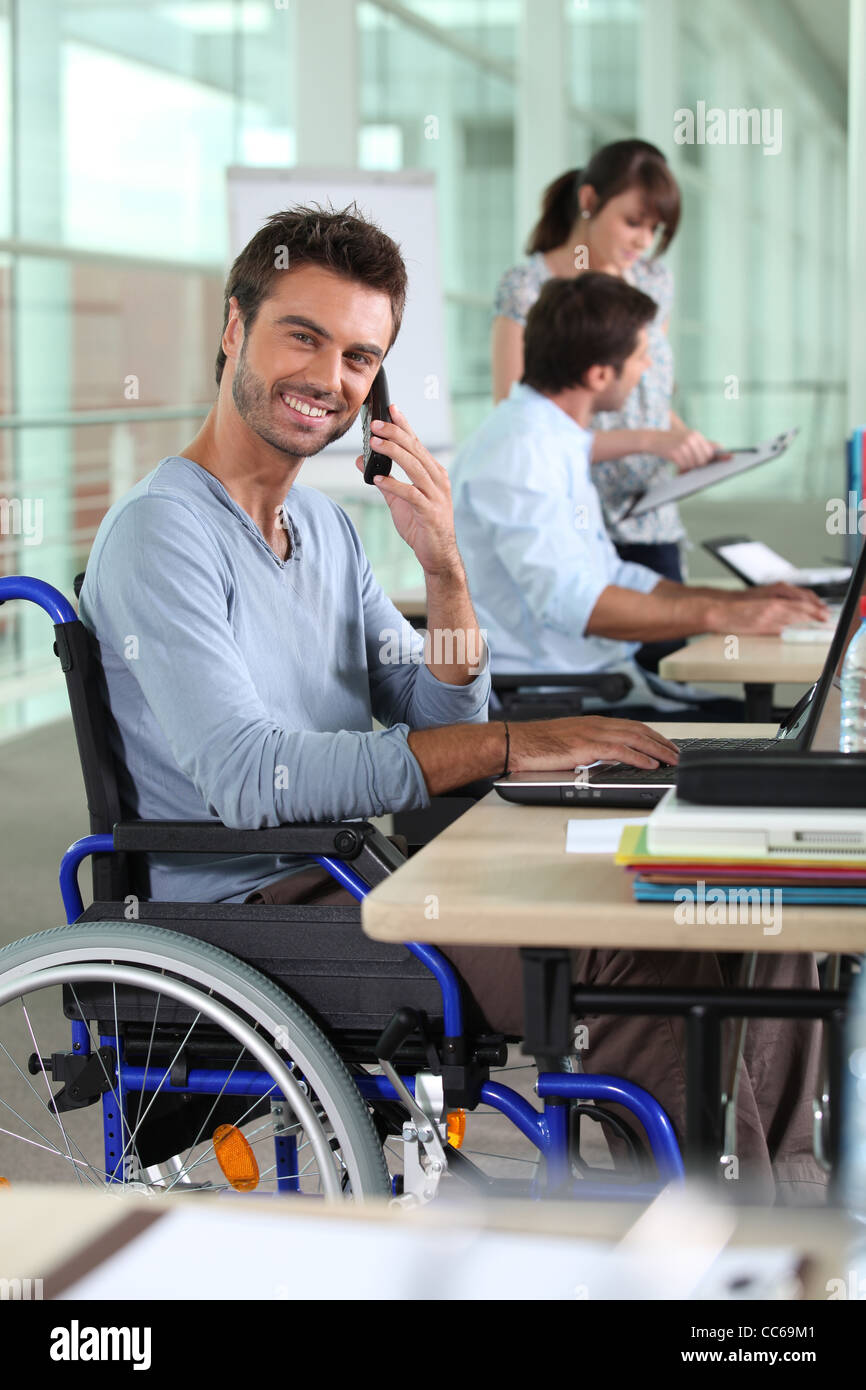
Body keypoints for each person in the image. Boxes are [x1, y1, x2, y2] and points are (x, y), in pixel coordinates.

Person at [78, 205, 825, 1202]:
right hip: (252, 914)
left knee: (758, 900)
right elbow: (251, 778)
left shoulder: (325, 533)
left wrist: (445, 573)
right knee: (630, 932)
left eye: (358, 355)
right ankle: (703, 1240)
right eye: (302, 336)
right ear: (231, 329)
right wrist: (514, 743)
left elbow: (439, 721)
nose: (329, 379)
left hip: (357, 876)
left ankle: (778, 1205)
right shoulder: (161, 534)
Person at [455, 271, 828, 719]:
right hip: (557, 705)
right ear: (598, 374)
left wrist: (736, 602)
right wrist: (718, 617)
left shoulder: (554, 438)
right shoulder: (521, 452)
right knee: (793, 737)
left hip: (605, 684)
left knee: (799, 724)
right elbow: (573, 603)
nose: (648, 367)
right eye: (641, 356)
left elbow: (610, 575)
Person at [492, 140, 718, 667]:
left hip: (651, 517)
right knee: (596, 679)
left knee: (667, 672)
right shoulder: (529, 288)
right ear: (590, 200)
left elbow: (650, 395)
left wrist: (689, 443)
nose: (643, 240)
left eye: (655, 229)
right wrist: (651, 440)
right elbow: (520, 419)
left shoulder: (652, 283)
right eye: (633, 222)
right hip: (570, 517)